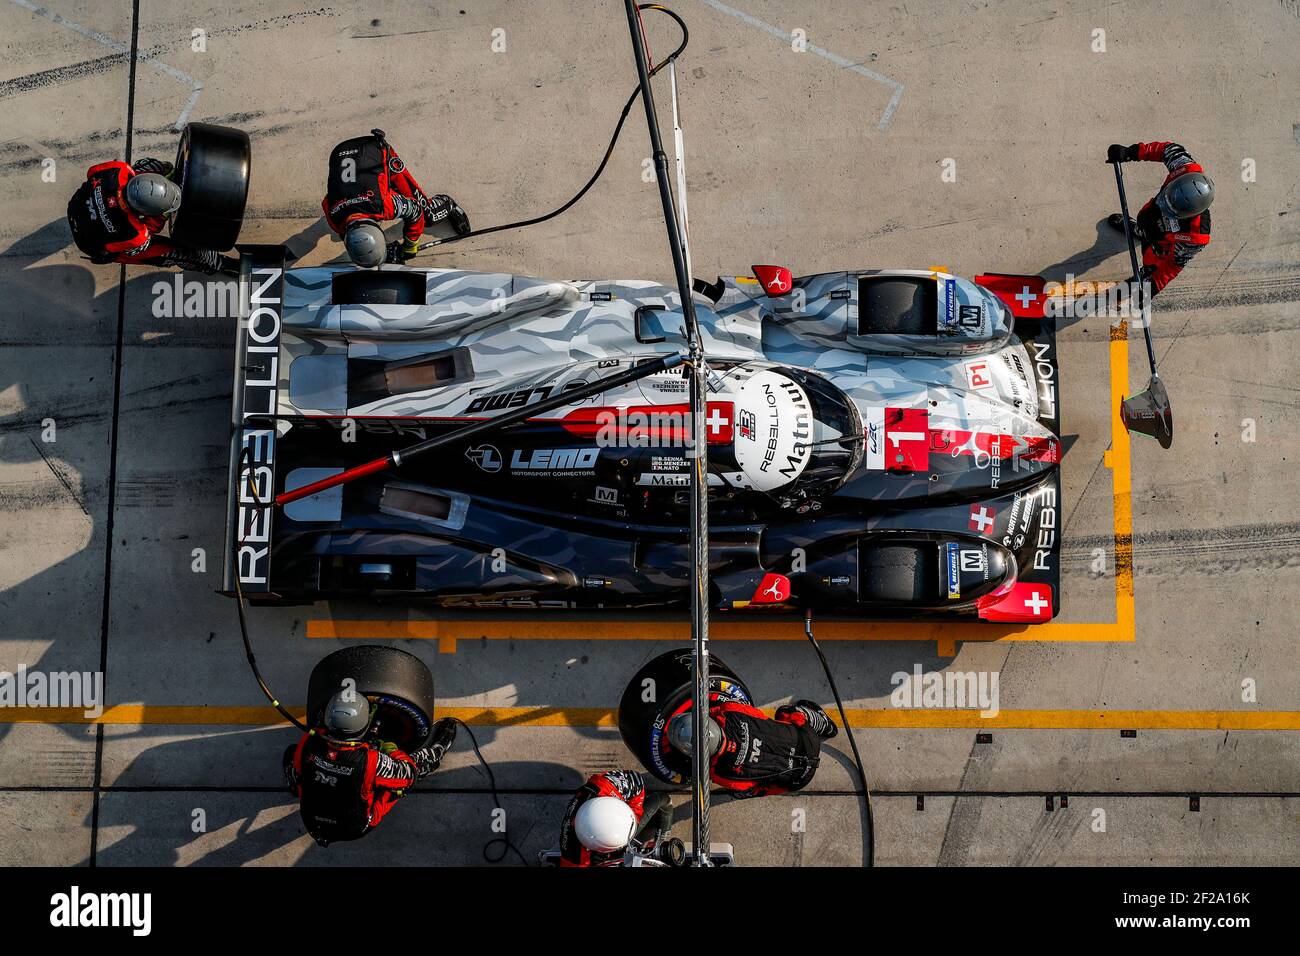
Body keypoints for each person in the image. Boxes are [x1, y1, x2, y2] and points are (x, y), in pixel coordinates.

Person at [283, 690, 457, 846]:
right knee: (408, 774)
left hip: (312, 822)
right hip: (353, 827)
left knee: (292, 755)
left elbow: (299, 768)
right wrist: (392, 750)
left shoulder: (308, 741)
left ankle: (295, 788)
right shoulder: (372, 761)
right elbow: (408, 775)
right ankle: (436, 753)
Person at [322, 129, 471, 268]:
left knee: (427, 215)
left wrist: (410, 246)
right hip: (340, 152)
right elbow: (327, 201)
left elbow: (415, 211)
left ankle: (447, 203)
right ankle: (379, 183)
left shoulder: (384, 205)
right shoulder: (334, 218)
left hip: (376, 150)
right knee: (377, 189)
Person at [66, 157, 237, 275]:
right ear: (143, 213)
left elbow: (92, 172)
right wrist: (161, 215)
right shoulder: (134, 234)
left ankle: (167, 185)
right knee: (176, 253)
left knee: (159, 166)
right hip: (93, 242)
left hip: (78, 202)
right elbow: (143, 242)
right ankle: (217, 264)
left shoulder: (119, 170)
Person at [667, 697, 837, 799]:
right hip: (809, 741)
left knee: (744, 791)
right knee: (785, 712)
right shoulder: (730, 711)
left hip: (798, 780)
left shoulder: (719, 773)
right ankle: (825, 725)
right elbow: (750, 712)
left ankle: (821, 723)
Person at [1106, 141, 1213, 295]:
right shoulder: (1185, 168)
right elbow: (1165, 150)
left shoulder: (1196, 237)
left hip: (1161, 244)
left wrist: (1153, 286)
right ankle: (1138, 229)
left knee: (1151, 262)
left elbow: (1174, 265)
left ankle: (1146, 276)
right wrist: (1131, 152)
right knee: (1145, 220)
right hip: (1150, 215)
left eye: (1171, 208)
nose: (1165, 206)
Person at [558, 769, 673, 866]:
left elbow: (637, 784)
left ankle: (659, 834)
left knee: (662, 798)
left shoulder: (615, 784)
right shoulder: (573, 854)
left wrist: (636, 817)